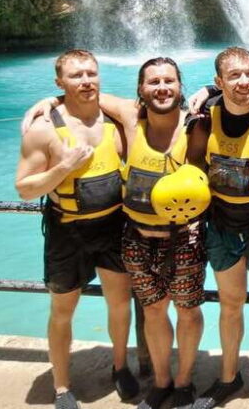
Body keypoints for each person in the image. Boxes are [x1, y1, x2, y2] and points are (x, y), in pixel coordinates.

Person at [22, 57, 209, 409]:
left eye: (169, 80)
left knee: (186, 313)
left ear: (181, 85)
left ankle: (183, 384)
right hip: (136, 238)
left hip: (183, 239)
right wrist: (50, 101)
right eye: (153, 82)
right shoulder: (129, 118)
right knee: (153, 312)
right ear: (140, 90)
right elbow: (86, 95)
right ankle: (161, 383)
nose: (162, 87)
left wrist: (212, 89)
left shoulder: (196, 125)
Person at [15, 49, 138, 409]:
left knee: (119, 303)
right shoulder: (43, 130)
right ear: (59, 82)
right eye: (75, 76)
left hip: (114, 226)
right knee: (62, 309)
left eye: (90, 73)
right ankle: (62, 385)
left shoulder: (117, 118)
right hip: (67, 230)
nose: (85, 81)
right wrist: (62, 168)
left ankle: (120, 366)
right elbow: (24, 189)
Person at [187, 47, 249, 409]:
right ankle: (228, 377)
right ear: (219, 82)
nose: (244, 81)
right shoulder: (204, 116)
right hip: (221, 225)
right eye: (234, 75)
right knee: (230, 304)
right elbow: (192, 165)